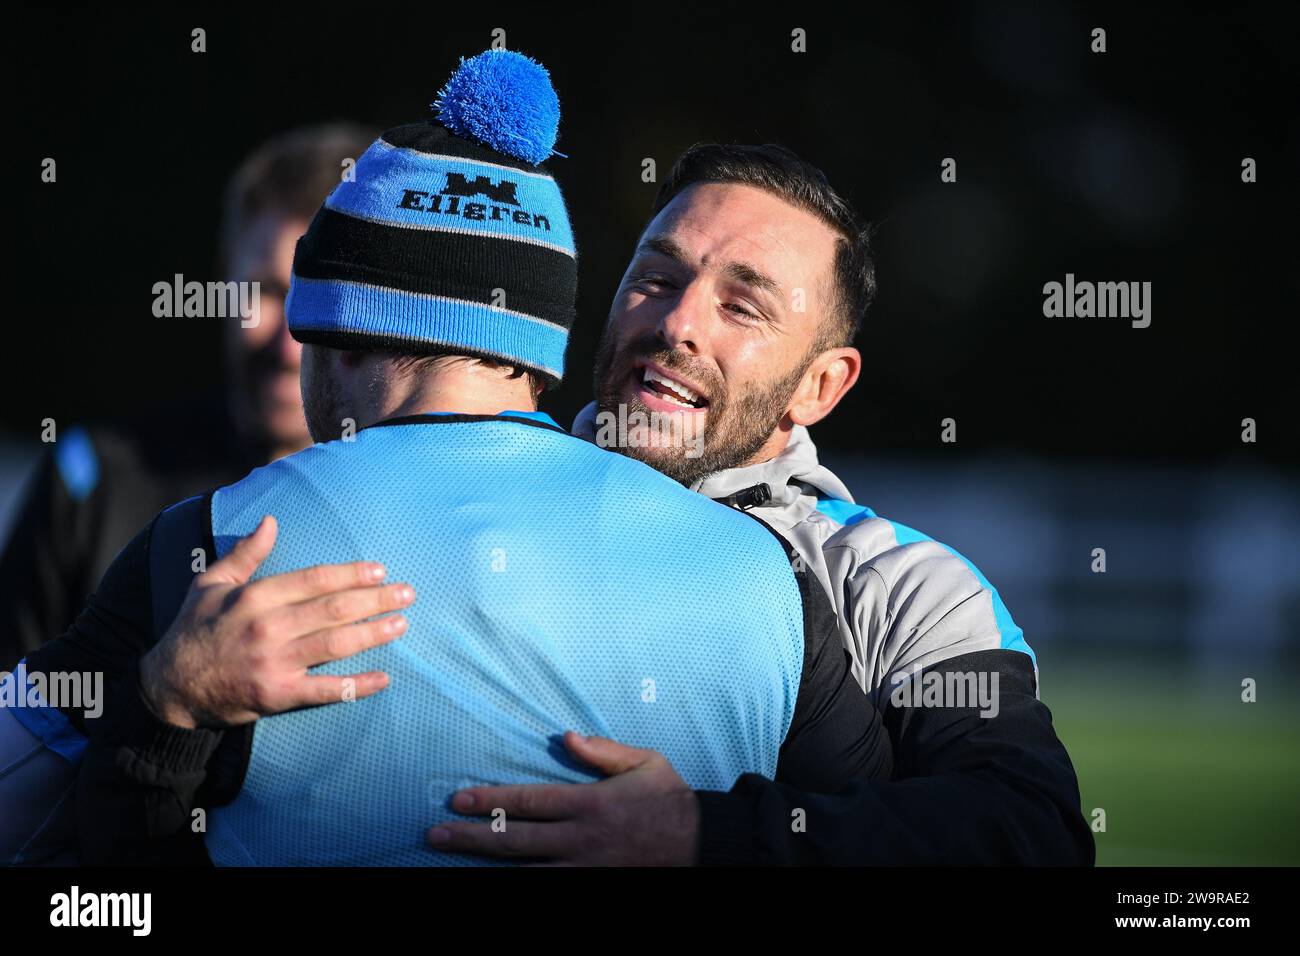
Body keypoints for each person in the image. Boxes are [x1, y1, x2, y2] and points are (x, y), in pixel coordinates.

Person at [2, 50, 889, 866]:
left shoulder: (211, 549)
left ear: (336, 336)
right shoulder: (771, 579)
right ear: (535, 351)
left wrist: (164, 711)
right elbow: (892, 833)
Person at [0, 123, 375, 671]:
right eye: (268, 292)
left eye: (322, 304)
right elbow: (14, 707)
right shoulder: (93, 481)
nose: (288, 344)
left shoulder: (421, 510)